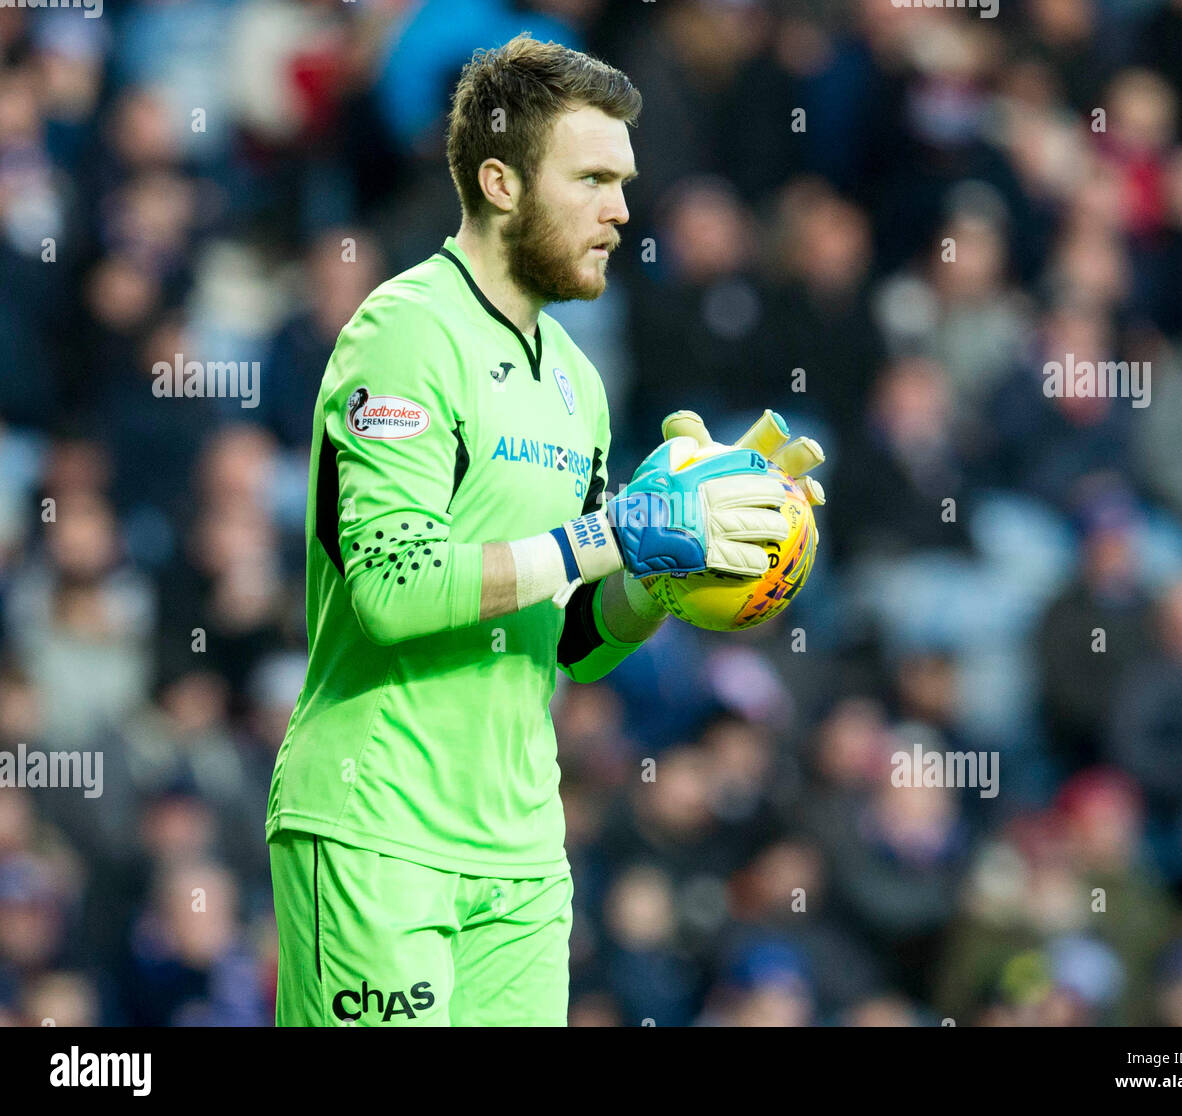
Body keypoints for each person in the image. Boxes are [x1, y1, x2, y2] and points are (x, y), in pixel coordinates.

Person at [264, 33, 826, 1027]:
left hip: (519, 856)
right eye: (592, 180)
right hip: (378, 829)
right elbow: (392, 593)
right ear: (501, 182)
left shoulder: (579, 382)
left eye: (625, 182)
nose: (620, 210)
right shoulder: (406, 333)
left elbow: (574, 637)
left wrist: (663, 569)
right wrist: (615, 533)